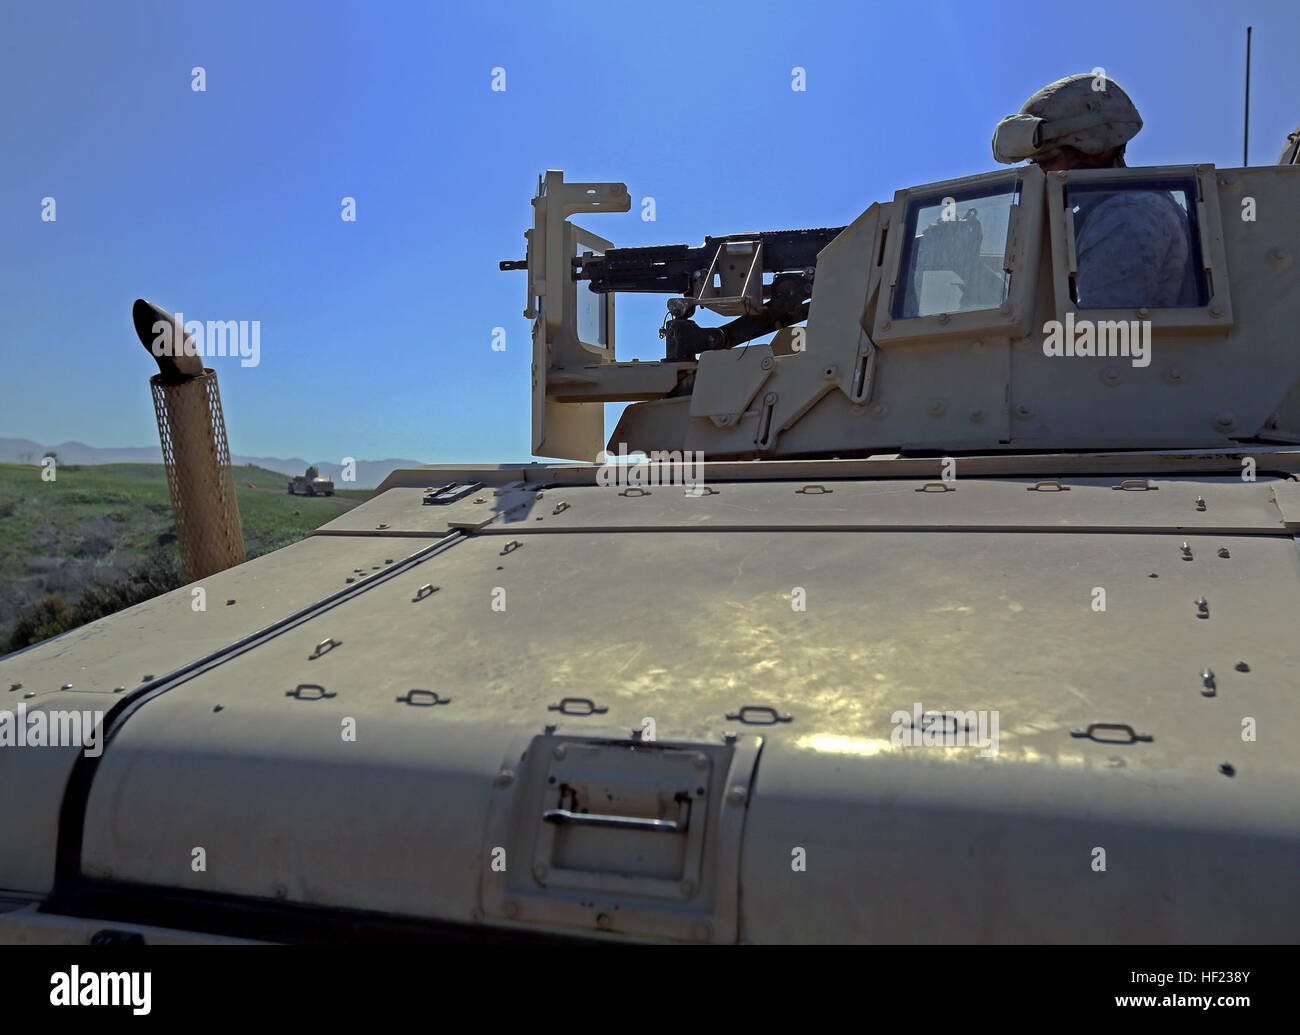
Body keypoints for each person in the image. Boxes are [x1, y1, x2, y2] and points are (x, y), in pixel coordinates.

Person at [992, 74, 1195, 308]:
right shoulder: (1097, 215)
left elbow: (1101, 335)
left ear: (1098, 151)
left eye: (1046, 162)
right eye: (1033, 165)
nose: (1040, 176)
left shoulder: (1126, 214)